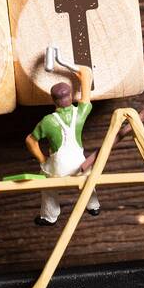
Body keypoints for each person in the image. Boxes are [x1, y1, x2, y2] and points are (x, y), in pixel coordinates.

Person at [25, 64, 100, 225]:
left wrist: (42, 159)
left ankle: (49, 216)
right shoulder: (80, 113)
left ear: (54, 100)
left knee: (47, 183)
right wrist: (84, 77)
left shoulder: (48, 121)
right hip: (80, 163)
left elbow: (30, 140)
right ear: (71, 96)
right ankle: (93, 205)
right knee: (88, 178)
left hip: (59, 167)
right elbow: (86, 97)